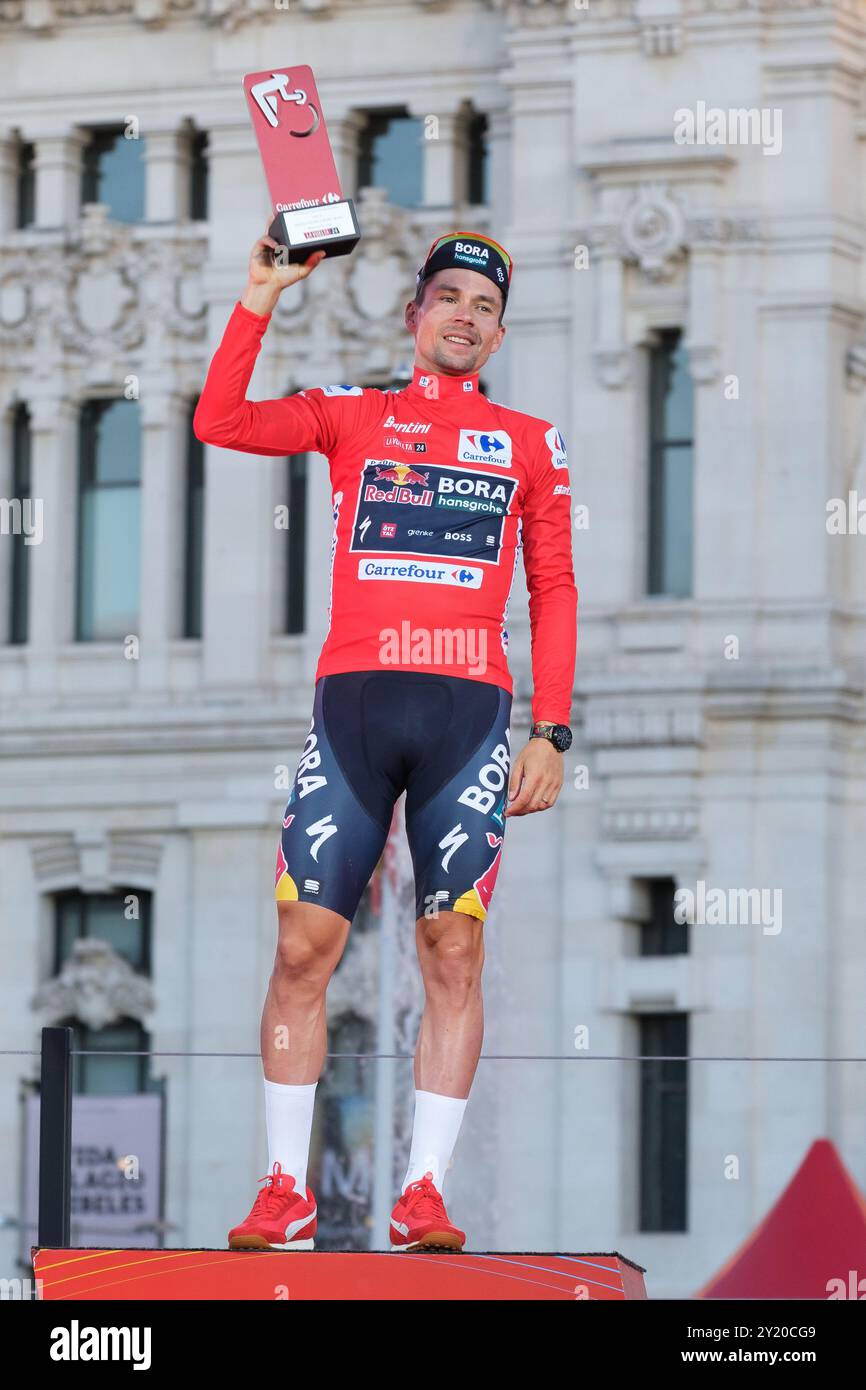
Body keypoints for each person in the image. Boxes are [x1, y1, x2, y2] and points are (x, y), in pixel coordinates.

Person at [194, 228, 577, 1252]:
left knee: (452, 950)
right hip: (354, 713)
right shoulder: (351, 416)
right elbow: (219, 419)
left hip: (469, 718)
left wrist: (553, 729)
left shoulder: (531, 442)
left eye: (483, 306)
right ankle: (286, 1191)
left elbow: (553, 588)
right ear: (414, 316)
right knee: (300, 948)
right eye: (446, 297)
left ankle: (422, 1198)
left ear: (496, 332)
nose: (464, 315)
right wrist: (259, 297)